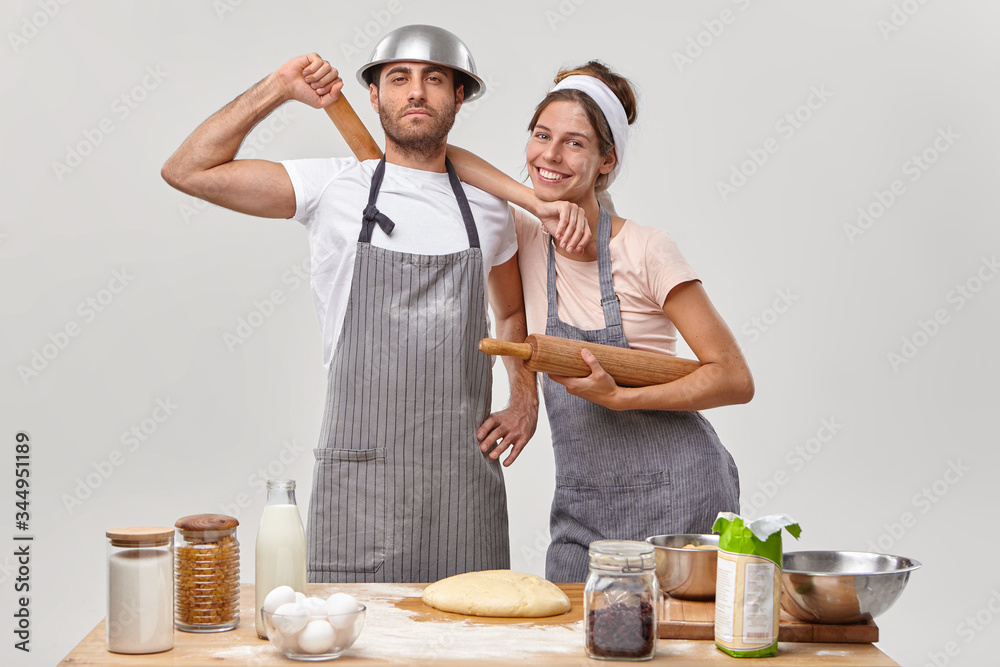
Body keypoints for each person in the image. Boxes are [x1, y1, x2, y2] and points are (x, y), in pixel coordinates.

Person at [160, 25, 584, 583]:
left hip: (461, 479)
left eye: (434, 79)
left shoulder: (489, 207)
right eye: (399, 78)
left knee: (471, 639)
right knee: (350, 641)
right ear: (374, 96)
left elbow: (509, 316)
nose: (415, 92)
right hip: (361, 483)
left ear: (458, 97)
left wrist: (524, 399)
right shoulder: (332, 186)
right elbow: (187, 170)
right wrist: (279, 86)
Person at [449, 61, 754, 582]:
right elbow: (447, 157)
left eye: (574, 143)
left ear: (605, 160)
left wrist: (622, 397)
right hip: (583, 505)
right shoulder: (523, 233)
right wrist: (524, 401)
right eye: (542, 135)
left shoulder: (646, 249)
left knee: (677, 655)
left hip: (677, 494)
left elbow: (732, 376)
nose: (549, 154)